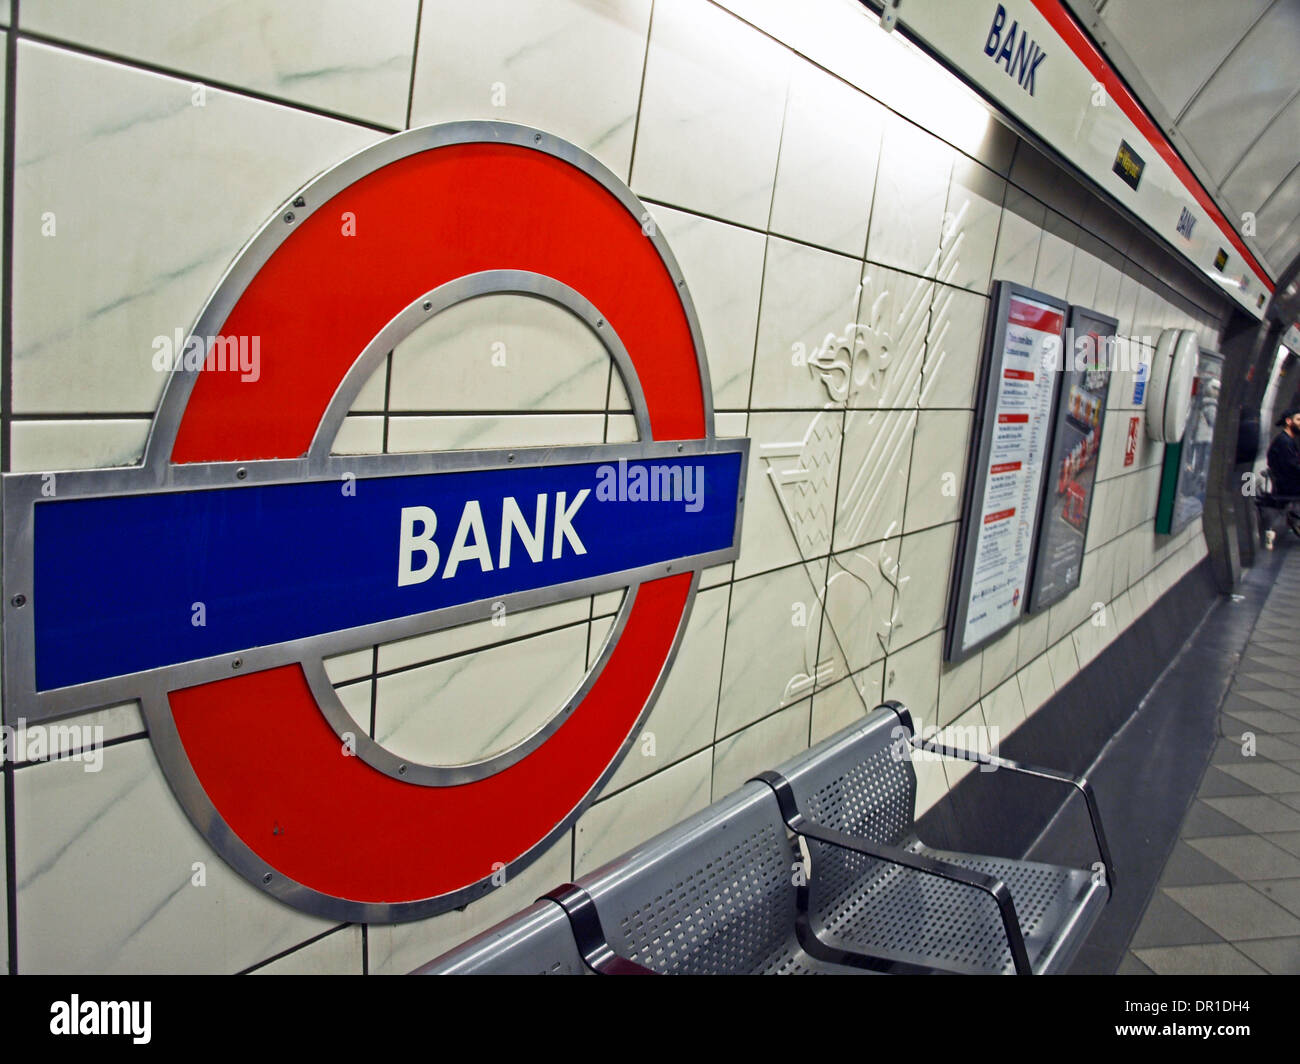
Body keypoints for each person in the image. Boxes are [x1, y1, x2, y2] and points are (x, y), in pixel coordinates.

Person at [1264, 407, 1300, 546]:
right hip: (1289, 486)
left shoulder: (1286, 440)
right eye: (1298, 420)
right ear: (1288, 421)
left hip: (1288, 483)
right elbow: (1292, 468)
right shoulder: (1284, 442)